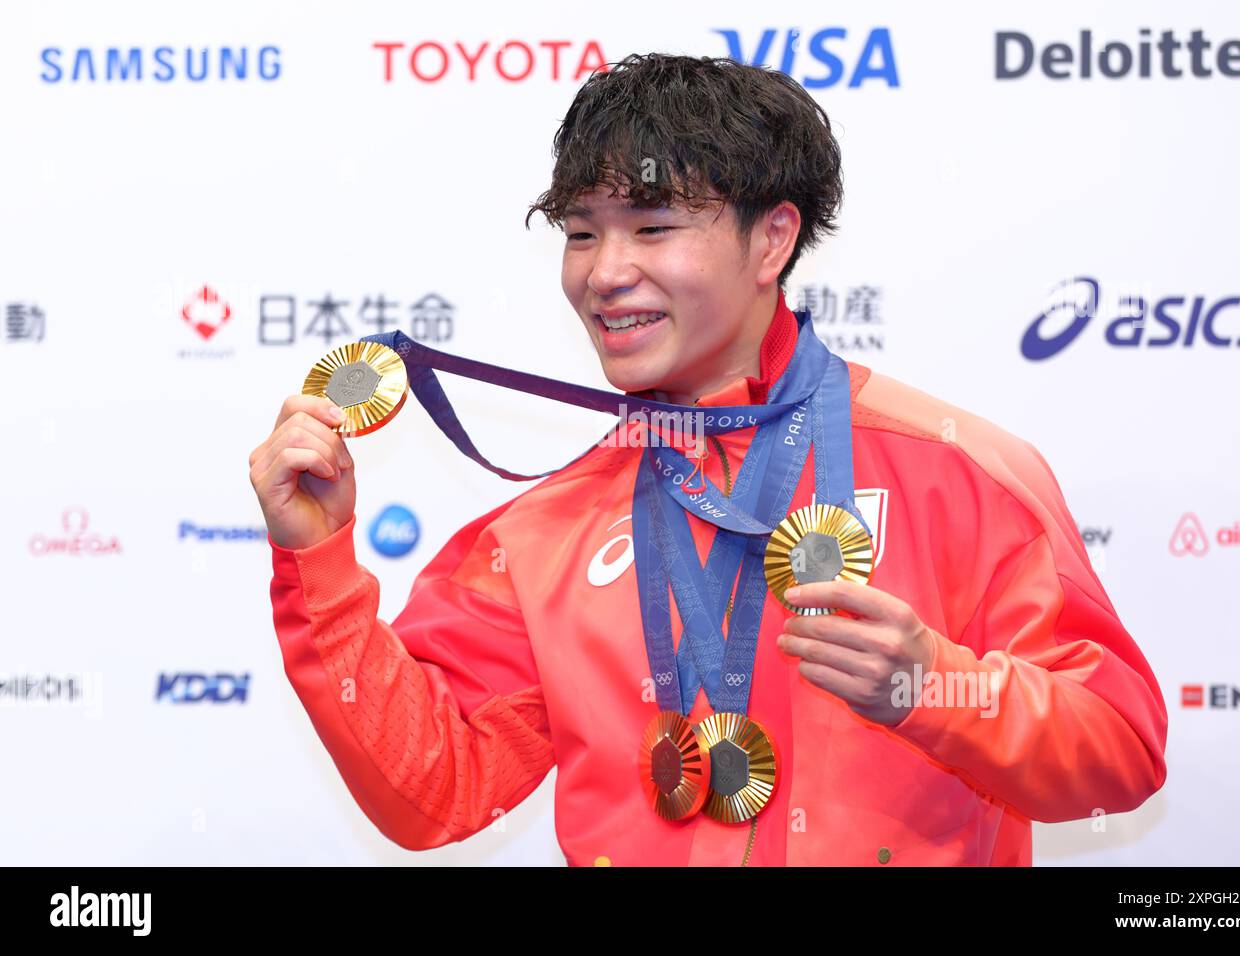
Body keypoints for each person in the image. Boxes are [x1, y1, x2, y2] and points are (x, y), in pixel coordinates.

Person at [249, 53, 1167, 866]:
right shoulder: (541, 530)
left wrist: (935, 686)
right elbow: (435, 791)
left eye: (652, 228)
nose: (604, 271)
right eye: (580, 232)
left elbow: (1121, 753)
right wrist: (317, 561)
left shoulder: (957, 470)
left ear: (772, 238)